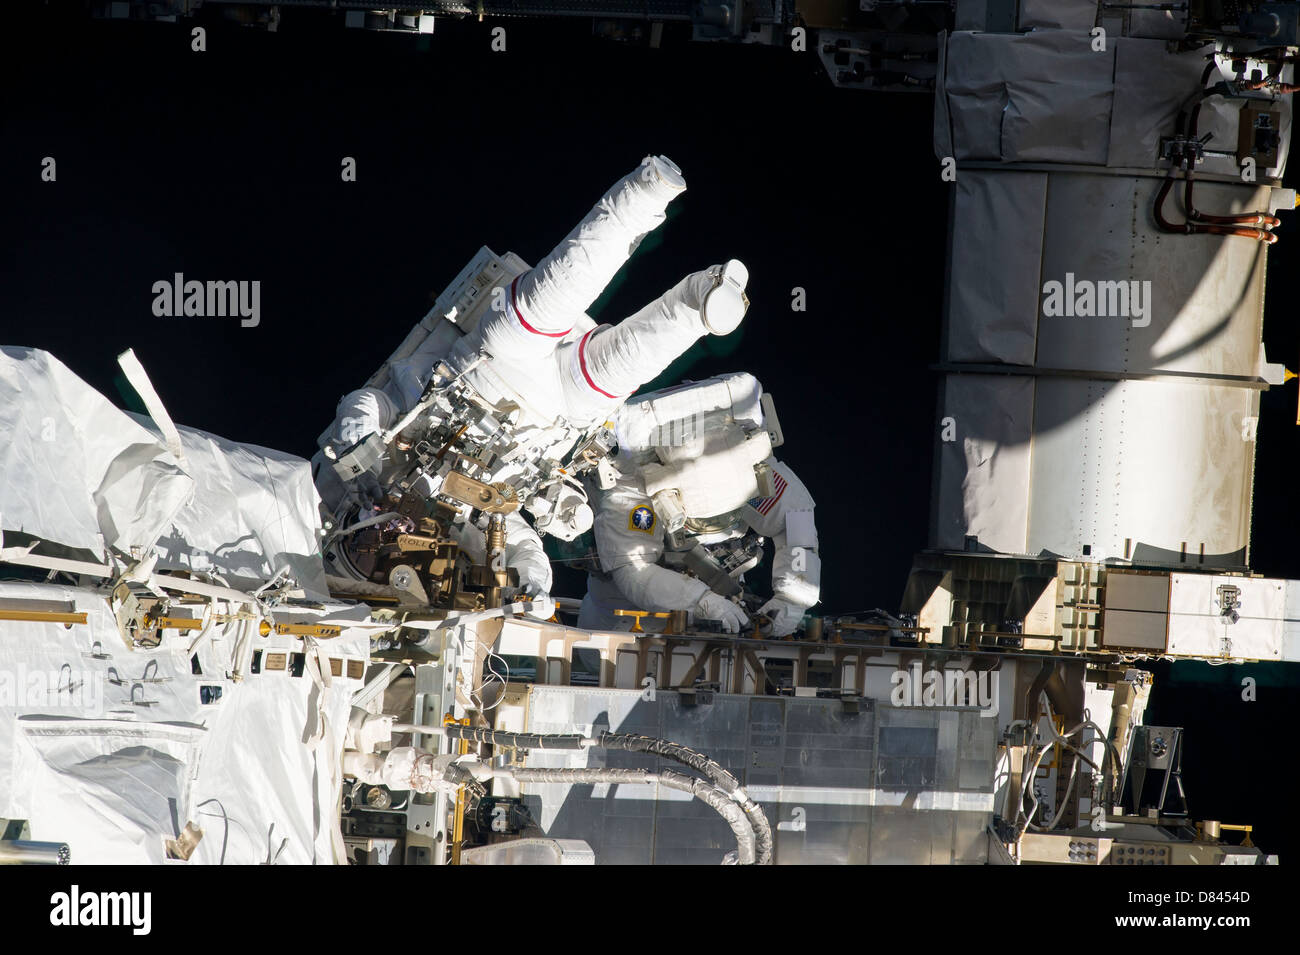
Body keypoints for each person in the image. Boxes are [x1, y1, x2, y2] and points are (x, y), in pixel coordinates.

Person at [315, 156, 750, 610]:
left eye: (367, 553)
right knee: (631, 358)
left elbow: (364, 403)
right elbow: (522, 543)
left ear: (346, 538)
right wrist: (533, 586)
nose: (388, 542)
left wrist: (356, 449)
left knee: (563, 282)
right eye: (388, 561)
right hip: (555, 415)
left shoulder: (342, 488)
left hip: (490, 364)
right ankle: (705, 298)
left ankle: (644, 193)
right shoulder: (462, 524)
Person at [578, 373, 820, 636]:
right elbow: (633, 572)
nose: (714, 527)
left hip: (721, 592)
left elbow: (796, 525)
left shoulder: (753, 470)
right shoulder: (634, 487)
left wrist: (792, 600)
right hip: (627, 613)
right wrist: (700, 602)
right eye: (705, 522)